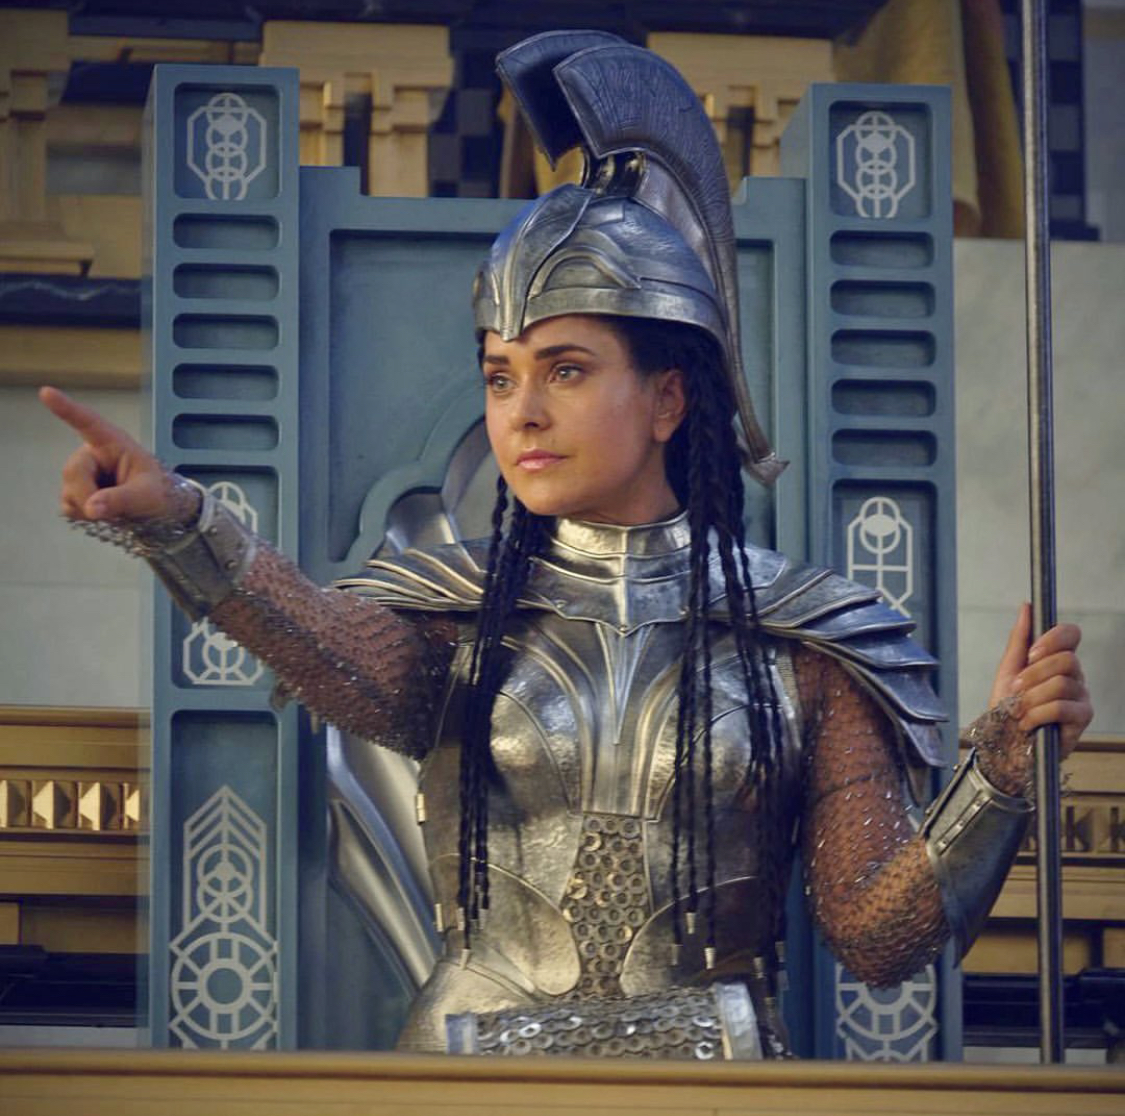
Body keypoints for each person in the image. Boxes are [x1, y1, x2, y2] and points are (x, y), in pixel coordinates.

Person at [39, 32, 1091, 1061]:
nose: (522, 412)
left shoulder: (805, 640)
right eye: (501, 377)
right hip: (467, 1078)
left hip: (712, 1086)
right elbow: (313, 633)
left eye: (567, 370)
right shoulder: (458, 617)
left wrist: (999, 770)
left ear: (668, 398)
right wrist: (179, 521)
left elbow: (877, 939)